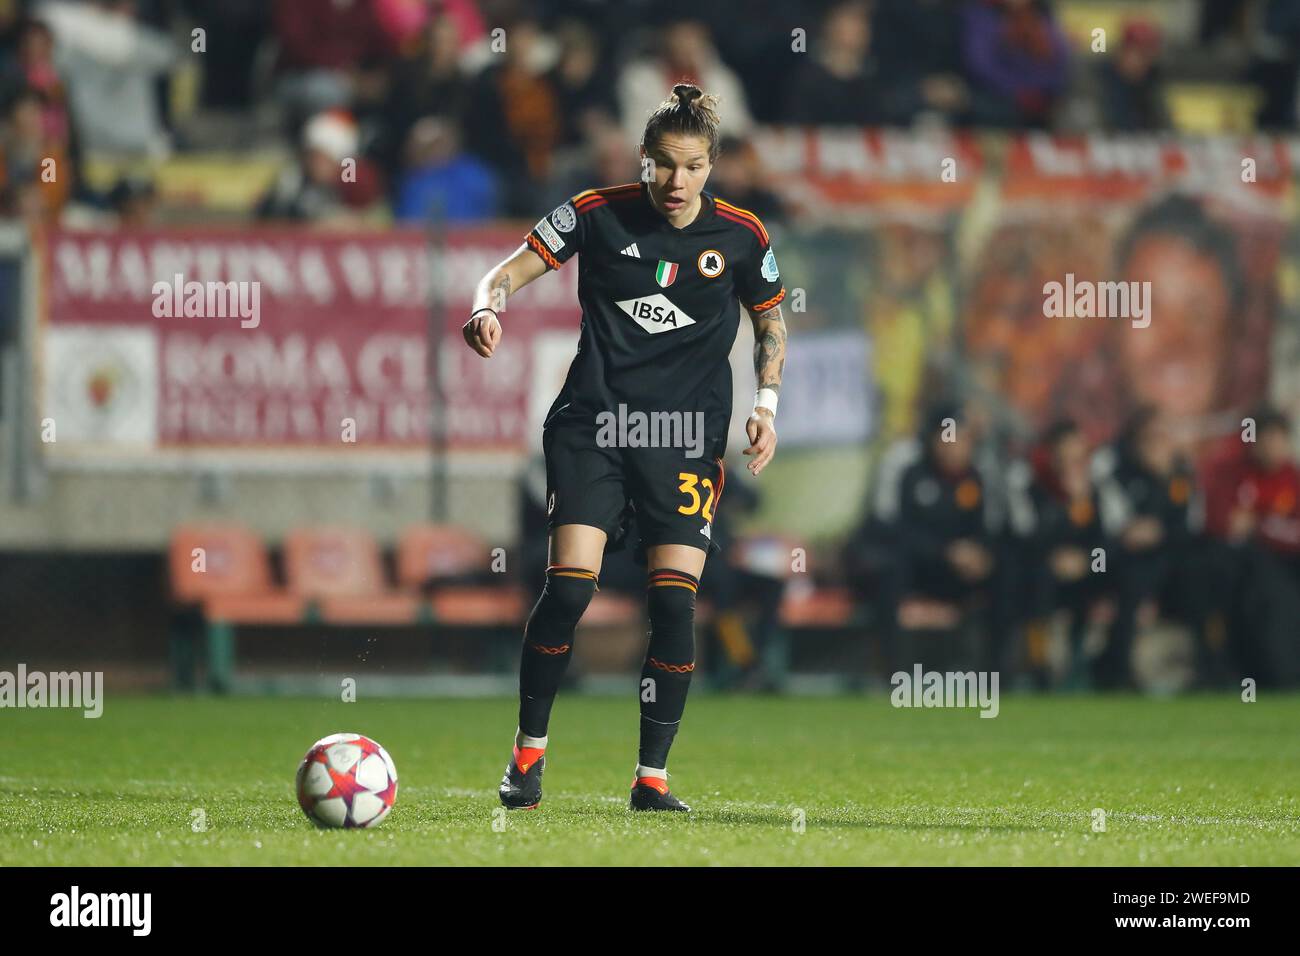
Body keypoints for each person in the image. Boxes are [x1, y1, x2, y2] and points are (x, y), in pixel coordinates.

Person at [465, 83, 787, 813]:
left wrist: (766, 405)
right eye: (666, 165)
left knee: (674, 608)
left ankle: (651, 779)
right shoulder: (594, 214)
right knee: (571, 589)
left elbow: (771, 323)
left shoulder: (742, 236)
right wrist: (488, 306)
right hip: (594, 428)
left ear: (713, 165)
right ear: (643, 159)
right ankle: (527, 759)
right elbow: (505, 271)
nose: (679, 182)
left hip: (684, 442)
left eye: (696, 166)